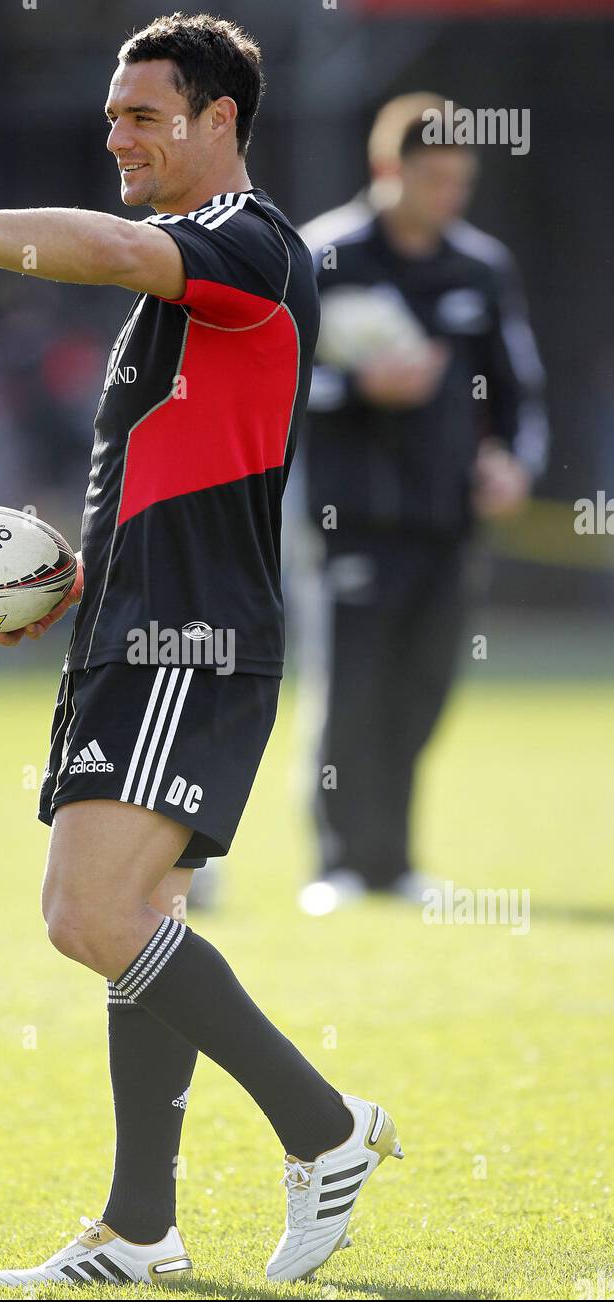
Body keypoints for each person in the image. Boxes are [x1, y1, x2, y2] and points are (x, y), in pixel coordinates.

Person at [0, 13, 402, 1287]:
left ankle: (323, 1126)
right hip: (133, 628)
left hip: (190, 642)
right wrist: (72, 572)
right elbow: (185, 461)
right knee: (143, 917)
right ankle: (140, 1226)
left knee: (89, 913)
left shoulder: (237, 241)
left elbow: (109, 245)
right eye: (112, 113)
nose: (116, 133)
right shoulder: (176, 284)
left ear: (218, 120)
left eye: (143, 115)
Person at [298, 93, 548, 916]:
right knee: (354, 687)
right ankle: (342, 864)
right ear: (388, 170)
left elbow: (519, 392)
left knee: (423, 689)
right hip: (352, 518)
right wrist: (356, 386)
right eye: (433, 177)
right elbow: (276, 387)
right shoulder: (323, 256)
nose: (449, 195)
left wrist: (514, 463)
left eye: (460, 180)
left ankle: (393, 861)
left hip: (448, 518)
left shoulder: (481, 266)